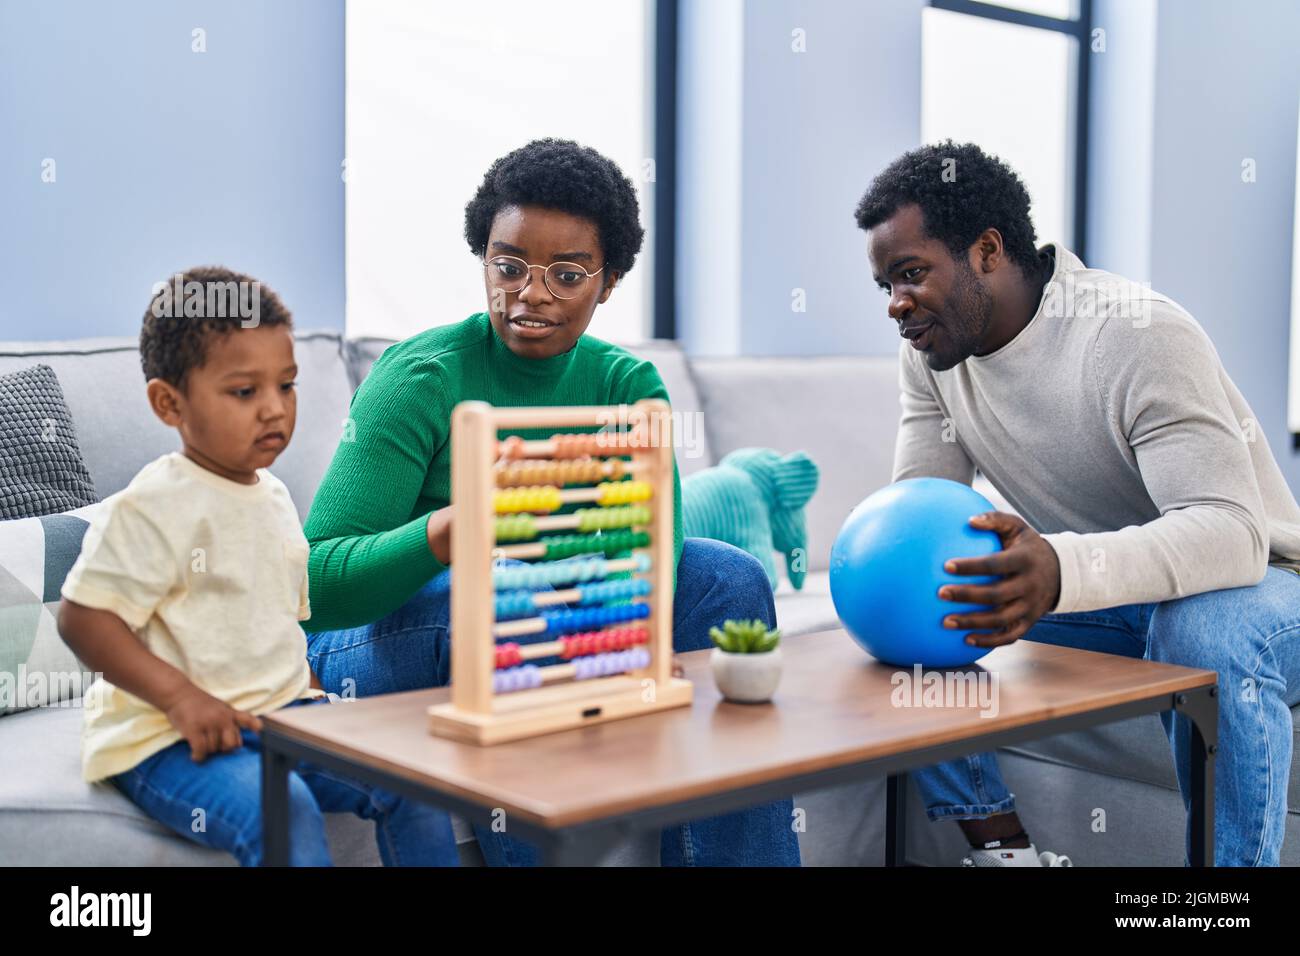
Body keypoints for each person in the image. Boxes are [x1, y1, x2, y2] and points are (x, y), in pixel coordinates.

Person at [303, 139, 800, 866]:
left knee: (729, 579)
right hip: (379, 633)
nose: (529, 294)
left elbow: (657, 556)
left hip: (553, 609)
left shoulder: (626, 387)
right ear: (485, 259)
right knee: (512, 593)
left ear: (609, 281)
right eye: (507, 266)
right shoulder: (420, 376)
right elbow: (315, 585)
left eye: (566, 275)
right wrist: (444, 532)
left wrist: (596, 613)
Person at [856, 141, 1300, 866]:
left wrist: (1058, 569)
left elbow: (1231, 534)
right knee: (919, 607)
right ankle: (1005, 851)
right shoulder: (932, 355)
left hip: (1261, 585)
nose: (896, 305)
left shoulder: (1137, 333)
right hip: (1110, 596)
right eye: (885, 287)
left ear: (988, 250)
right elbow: (920, 514)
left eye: (910, 275)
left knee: (1200, 628)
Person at [57, 268, 459, 866]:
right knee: (284, 807)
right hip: (164, 736)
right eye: (245, 392)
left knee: (412, 778)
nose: (275, 409)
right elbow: (81, 620)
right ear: (170, 402)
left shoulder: (271, 497)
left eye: (288, 386)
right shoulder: (158, 503)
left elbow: (277, 622)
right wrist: (182, 699)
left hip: (279, 714)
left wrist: (315, 697)